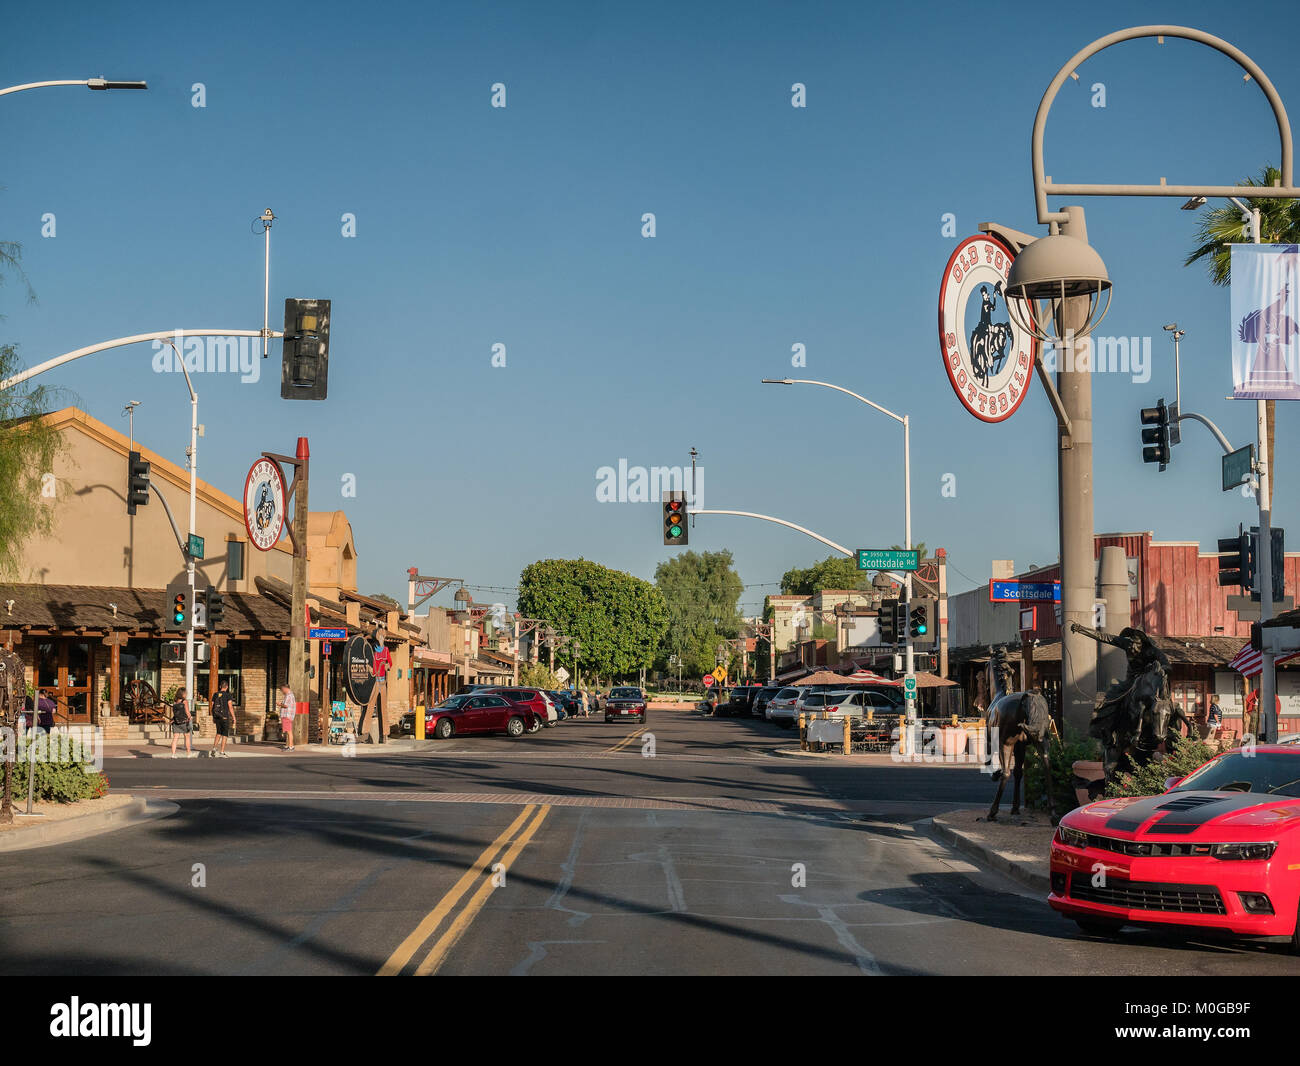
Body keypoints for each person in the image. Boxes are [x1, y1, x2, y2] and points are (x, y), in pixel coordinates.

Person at [357, 630, 391, 744]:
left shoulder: (386, 650)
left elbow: (390, 662)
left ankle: (384, 734)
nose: (382, 638)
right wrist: (370, 668)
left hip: (382, 682)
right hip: (374, 681)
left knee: (383, 709)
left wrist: (387, 665)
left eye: (383, 636)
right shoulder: (372, 650)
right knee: (370, 707)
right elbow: (368, 663)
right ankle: (365, 733)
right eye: (380, 636)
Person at [209, 679, 236, 758]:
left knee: (218, 733)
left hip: (217, 717)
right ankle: (222, 752)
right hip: (225, 717)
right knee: (224, 734)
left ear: (220, 686)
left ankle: (214, 748)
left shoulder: (215, 694)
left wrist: (213, 716)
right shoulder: (228, 695)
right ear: (227, 687)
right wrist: (234, 717)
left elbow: (212, 705)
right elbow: (230, 707)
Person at [169, 686, 194, 758]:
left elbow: (175, 713)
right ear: (183, 694)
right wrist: (190, 718)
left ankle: (173, 754)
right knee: (187, 737)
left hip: (176, 722)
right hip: (184, 722)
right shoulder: (184, 701)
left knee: (175, 738)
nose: (186, 694)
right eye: (185, 693)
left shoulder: (175, 702)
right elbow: (187, 712)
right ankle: (188, 754)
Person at [279, 683, 297, 752]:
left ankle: (291, 746)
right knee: (288, 731)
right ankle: (289, 745)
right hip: (288, 715)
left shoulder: (289, 695)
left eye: (282, 689)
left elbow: (285, 705)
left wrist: (280, 704)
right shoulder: (290, 695)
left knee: (289, 731)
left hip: (287, 715)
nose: (282, 691)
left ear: (285, 688)